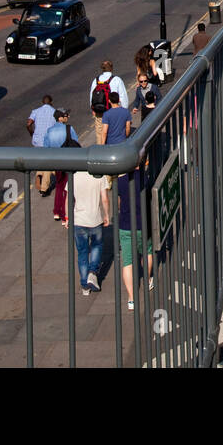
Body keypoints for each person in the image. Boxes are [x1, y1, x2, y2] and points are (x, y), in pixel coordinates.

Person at [100, 90, 150, 309]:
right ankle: (148, 279)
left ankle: (130, 298)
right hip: (143, 223)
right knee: (147, 253)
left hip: (126, 226)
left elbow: (120, 203)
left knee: (127, 262)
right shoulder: (147, 179)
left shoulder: (121, 183)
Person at [72, 167, 111, 294]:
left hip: (78, 220)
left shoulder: (74, 176)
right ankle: (92, 272)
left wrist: (67, 217)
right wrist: (106, 215)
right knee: (96, 246)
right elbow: (104, 198)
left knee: (82, 252)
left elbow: (68, 199)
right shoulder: (99, 176)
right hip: (95, 219)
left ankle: (85, 286)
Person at [43, 108, 81, 224]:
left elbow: (46, 147)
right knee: (67, 187)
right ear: (60, 118)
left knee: (59, 186)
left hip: (56, 162)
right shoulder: (69, 129)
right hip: (68, 161)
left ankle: (56, 211)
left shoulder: (49, 131)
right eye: (65, 115)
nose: (67, 117)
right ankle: (65, 215)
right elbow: (76, 144)